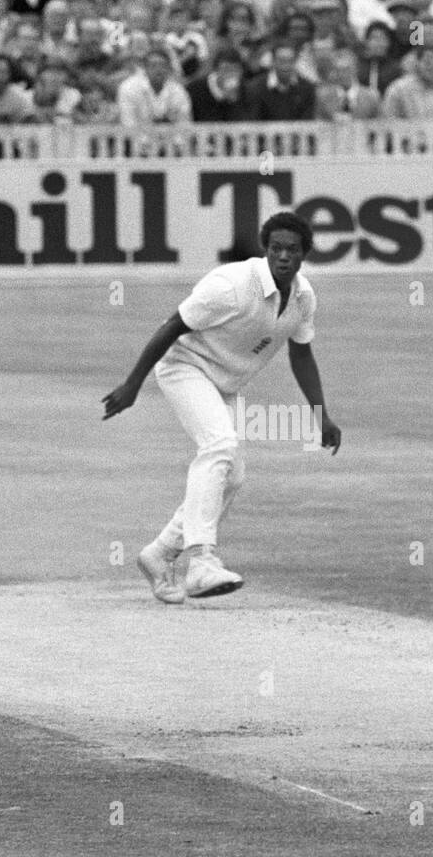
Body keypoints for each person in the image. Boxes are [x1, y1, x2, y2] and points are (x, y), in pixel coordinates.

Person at [101, 212, 341, 603]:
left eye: (292, 250)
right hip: (185, 367)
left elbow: (302, 355)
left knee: (231, 476)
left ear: (304, 255)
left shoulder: (303, 297)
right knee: (219, 446)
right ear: (266, 251)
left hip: (224, 382)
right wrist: (132, 384)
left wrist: (320, 415)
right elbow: (171, 326)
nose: (283, 257)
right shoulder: (231, 286)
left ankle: (160, 554)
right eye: (276, 248)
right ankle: (200, 562)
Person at [381, 44, 433, 120]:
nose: (432, 66)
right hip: (407, 135)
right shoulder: (398, 89)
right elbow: (390, 120)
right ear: (417, 63)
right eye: (427, 62)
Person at [117, 48, 193, 126]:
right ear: (144, 69)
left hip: (170, 136)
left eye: (162, 65)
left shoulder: (178, 91)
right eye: (153, 65)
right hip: (136, 136)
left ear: (169, 69)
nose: (158, 70)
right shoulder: (128, 88)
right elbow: (127, 123)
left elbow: (184, 125)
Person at [245, 41, 318, 119]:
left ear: (296, 61)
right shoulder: (255, 87)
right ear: (273, 61)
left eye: (290, 60)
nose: (286, 66)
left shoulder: (307, 88)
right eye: (281, 61)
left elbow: (307, 124)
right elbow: (253, 123)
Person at [187, 48, 256, 121]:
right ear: (216, 71)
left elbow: (247, 123)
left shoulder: (247, 90)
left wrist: (233, 103)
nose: (230, 74)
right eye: (226, 69)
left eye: (235, 70)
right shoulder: (195, 89)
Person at [314, 49, 382, 119]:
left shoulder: (371, 97)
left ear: (355, 70)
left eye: (346, 69)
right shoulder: (323, 97)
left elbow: (380, 125)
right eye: (338, 70)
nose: (342, 74)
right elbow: (317, 124)